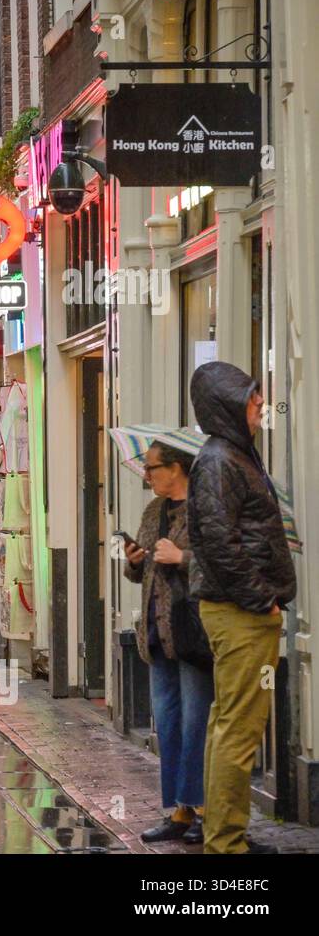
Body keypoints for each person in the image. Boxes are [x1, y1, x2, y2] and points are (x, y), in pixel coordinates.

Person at [187, 362, 297, 854]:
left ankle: (224, 833)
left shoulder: (230, 456)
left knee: (227, 724)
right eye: (251, 397)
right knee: (239, 728)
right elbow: (219, 543)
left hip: (240, 610)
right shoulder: (219, 461)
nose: (260, 404)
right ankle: (226, 844)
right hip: (242, 614)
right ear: (228, 404)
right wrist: (262, 601)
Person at [122, 441, 211, 845]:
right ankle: (178, 809)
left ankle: (203, 808)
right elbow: (141, 573)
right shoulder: (153, 510)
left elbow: (220, 564)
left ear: (176, 468)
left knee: (196, 721)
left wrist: (182, 557)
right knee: (169, 722)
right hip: (156, 632)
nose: (147, 475)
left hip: (192, 632)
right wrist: (134, 561)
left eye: (152, 468)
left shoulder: (205, 510)